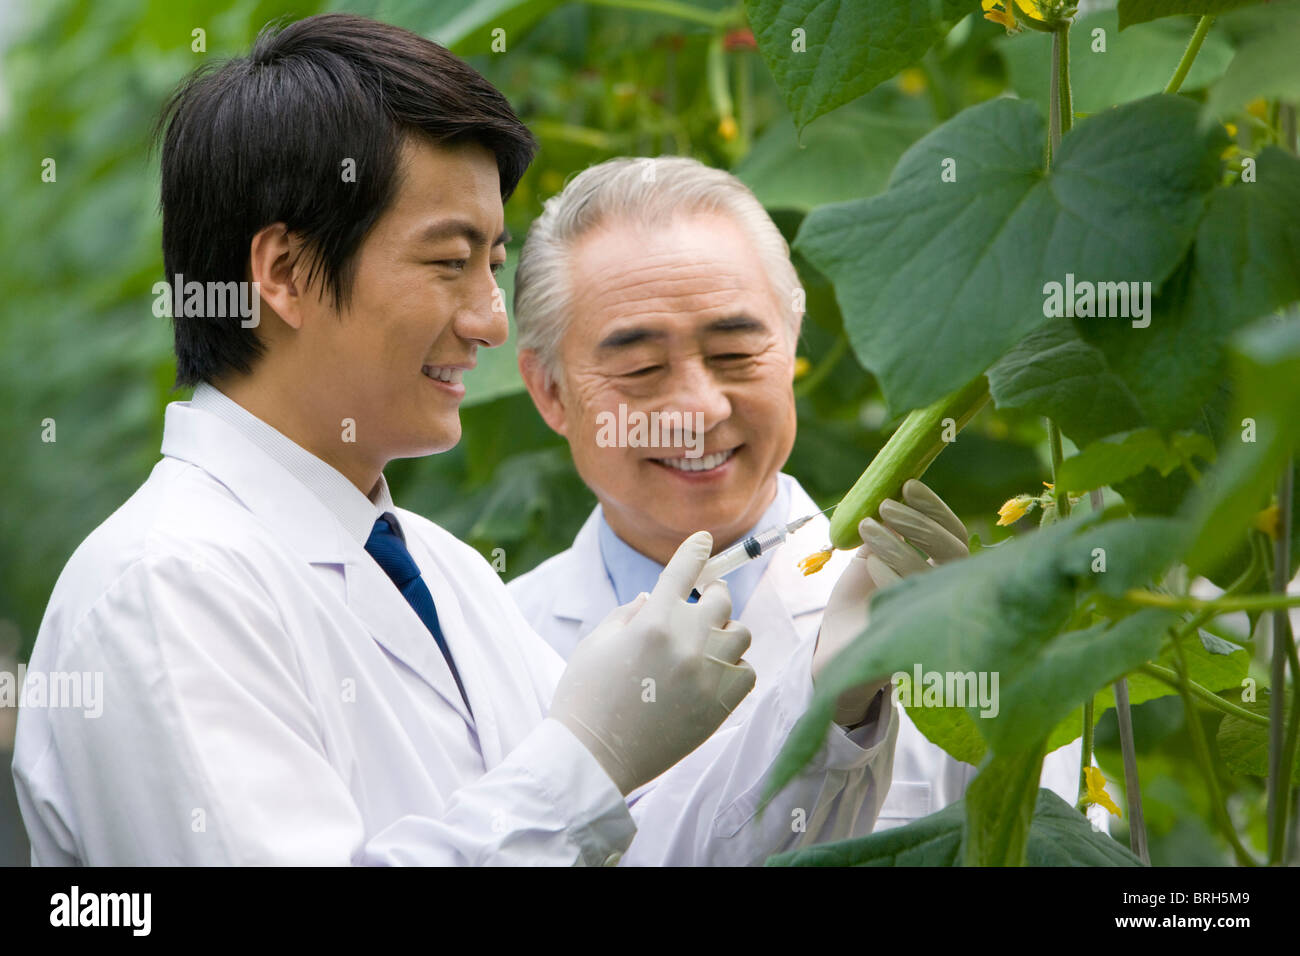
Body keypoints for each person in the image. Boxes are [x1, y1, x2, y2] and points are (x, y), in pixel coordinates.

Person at [11, 14, 898, 866]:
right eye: (448, 262)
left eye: (494, 264)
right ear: (282, 273)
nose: (491, 319)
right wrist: (585, 761)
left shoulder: (445, 574)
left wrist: (833, 696)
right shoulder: (165, 590)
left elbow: (633, 851)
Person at [508, 156, 1085, 830]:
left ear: (791, 343)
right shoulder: (493, 635)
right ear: (550, 390)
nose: (699, 407)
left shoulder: (976, 634)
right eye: (640, 367)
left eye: (735, 354)